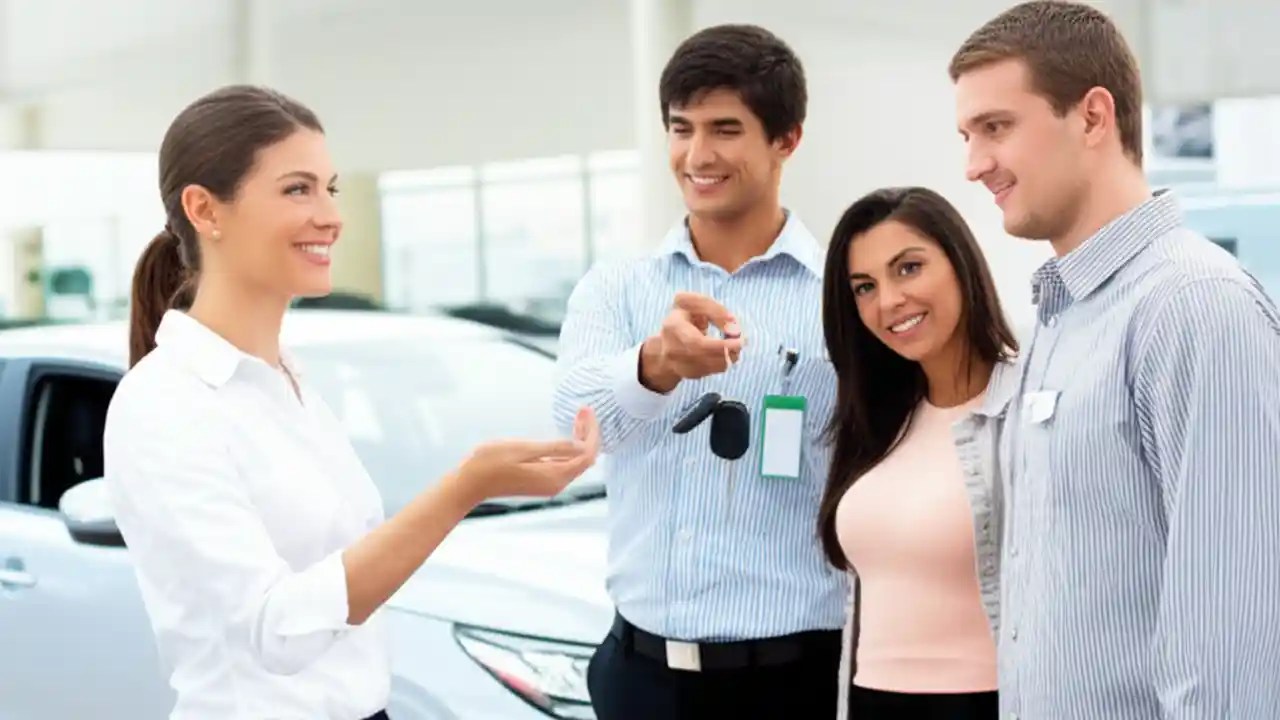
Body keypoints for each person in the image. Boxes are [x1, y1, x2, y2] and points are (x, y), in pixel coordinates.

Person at [102, 85, 600, 720]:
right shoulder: (164, 405)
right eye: (296, 189)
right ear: (205, 209)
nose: (331, 216)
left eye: (330, 189)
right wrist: (464, 489)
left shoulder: (289, 382)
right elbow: (275, 630)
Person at [950, 2, 1280, 717]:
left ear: (1094, 117)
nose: (974, 165)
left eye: (996, 128)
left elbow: (1229, 639)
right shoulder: (1060, 312)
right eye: (968, 135)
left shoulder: (1194, 306)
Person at [553, 24, 847, 719]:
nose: (697, 155)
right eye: (680, 129)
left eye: (725, 129)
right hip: (641, 677)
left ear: (787, 140)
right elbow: (574, 427)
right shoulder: (616, 288)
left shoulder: (843, 292)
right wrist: (654, 367)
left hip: (796, 678)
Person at [818, 187, 1017, 720]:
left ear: (960, 264)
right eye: (864, 287)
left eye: (908, 269)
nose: (887, 302)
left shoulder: (1025, 411)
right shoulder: (881, 419)